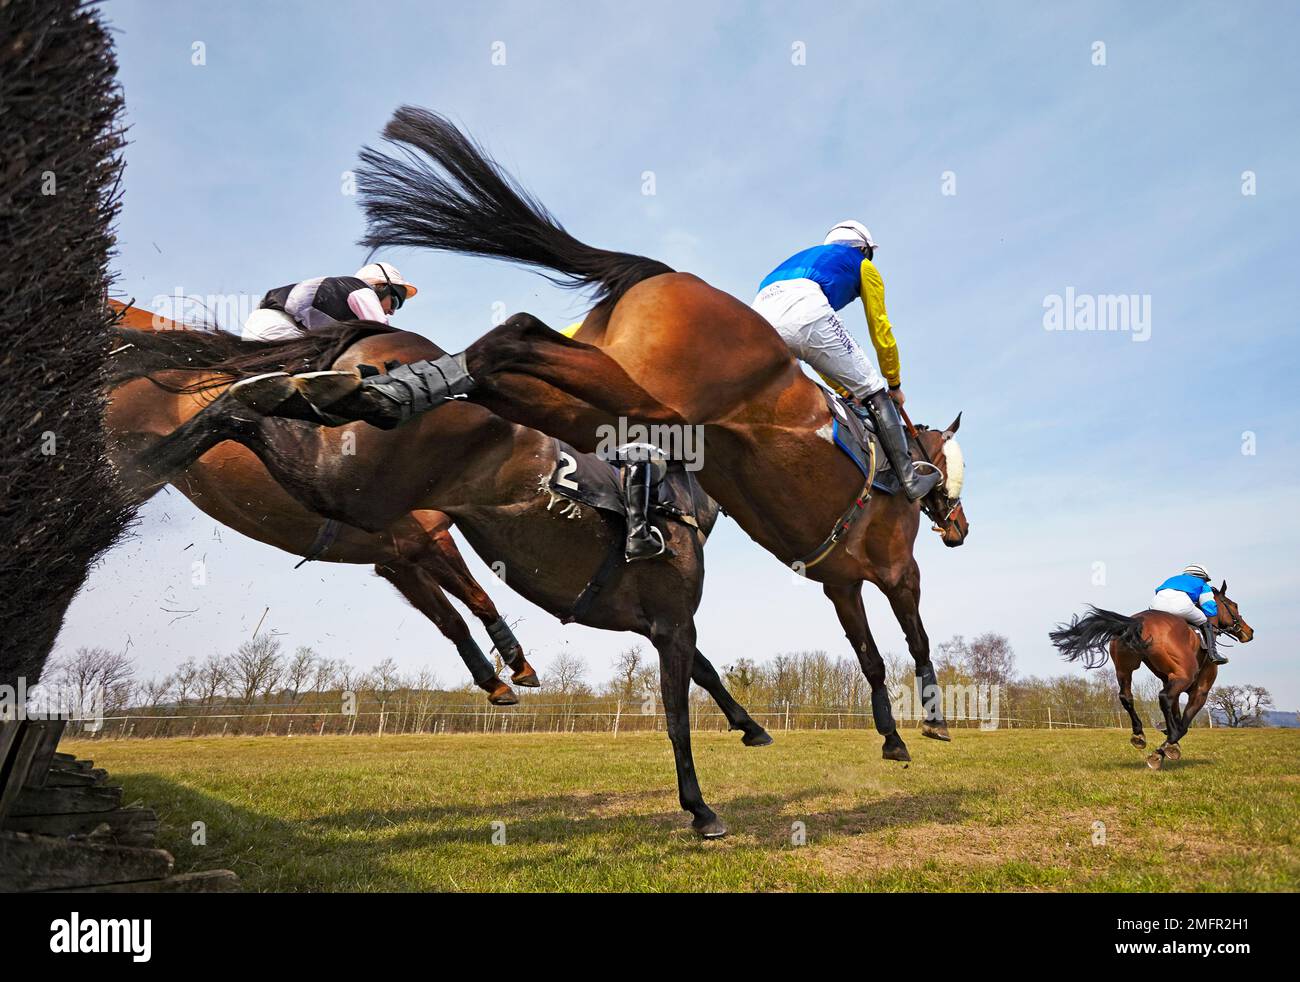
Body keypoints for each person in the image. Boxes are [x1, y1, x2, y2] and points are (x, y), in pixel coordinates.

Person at [751, 221, 941, 501]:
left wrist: (844, 391)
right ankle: (909, 478)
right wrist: (893, 383)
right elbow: (880, 327)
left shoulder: (801, 258)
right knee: (874, 389)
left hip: (757, 316)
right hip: (807, 310)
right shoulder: (863, 264)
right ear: (863, 248)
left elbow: (816, 352)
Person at [241, 261, 418, 341]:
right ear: (381, 286)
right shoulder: (362, 289)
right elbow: (384, 334)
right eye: (396, 301)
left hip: (263, 326)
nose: (393, 310)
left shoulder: (346, 303)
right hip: (277, 328)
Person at [1150, 564, 1227, 664]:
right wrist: (1209, 615)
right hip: (1181, 605)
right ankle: (1213, 653)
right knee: (1204, 620)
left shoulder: (1172, 579)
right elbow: (1209, 605)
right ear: (1203, 576)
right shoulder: (1202, 584)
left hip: (1156, 604)